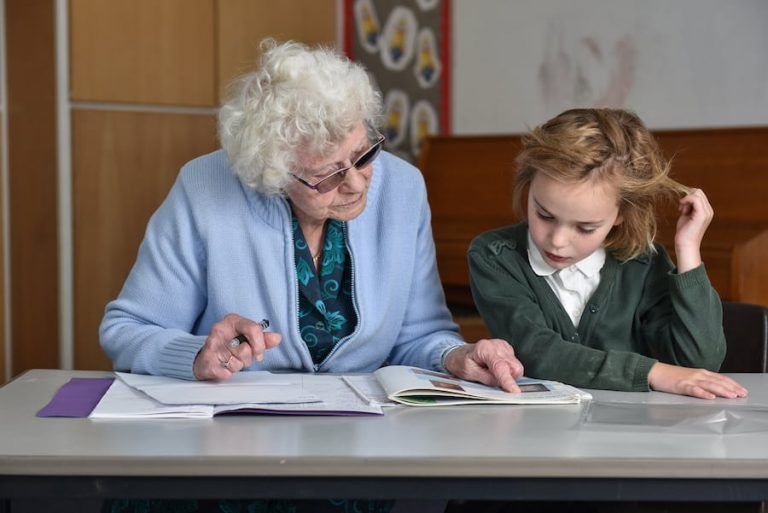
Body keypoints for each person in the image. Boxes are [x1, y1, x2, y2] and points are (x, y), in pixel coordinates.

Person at [99, 39, 523, 513]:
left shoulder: (402, 187)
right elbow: (127, 329)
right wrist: (197, 355)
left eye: (363, 155)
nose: (359, 182)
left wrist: (456, 356)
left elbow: (419, 333)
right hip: (227, 457)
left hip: (361, 455)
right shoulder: (204, 189)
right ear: (272, 173)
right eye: (327, 176)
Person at [467, 107, 747, 400]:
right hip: (536, 433)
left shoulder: (641, 262)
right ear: (528, 187)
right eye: (544, 215)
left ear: (621, 214)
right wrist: (652, 373)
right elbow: (537, 352)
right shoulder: (495, 256)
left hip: (630, 436)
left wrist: (688, 250)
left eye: (586, 228)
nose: (558, 241)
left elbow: (699, 364)